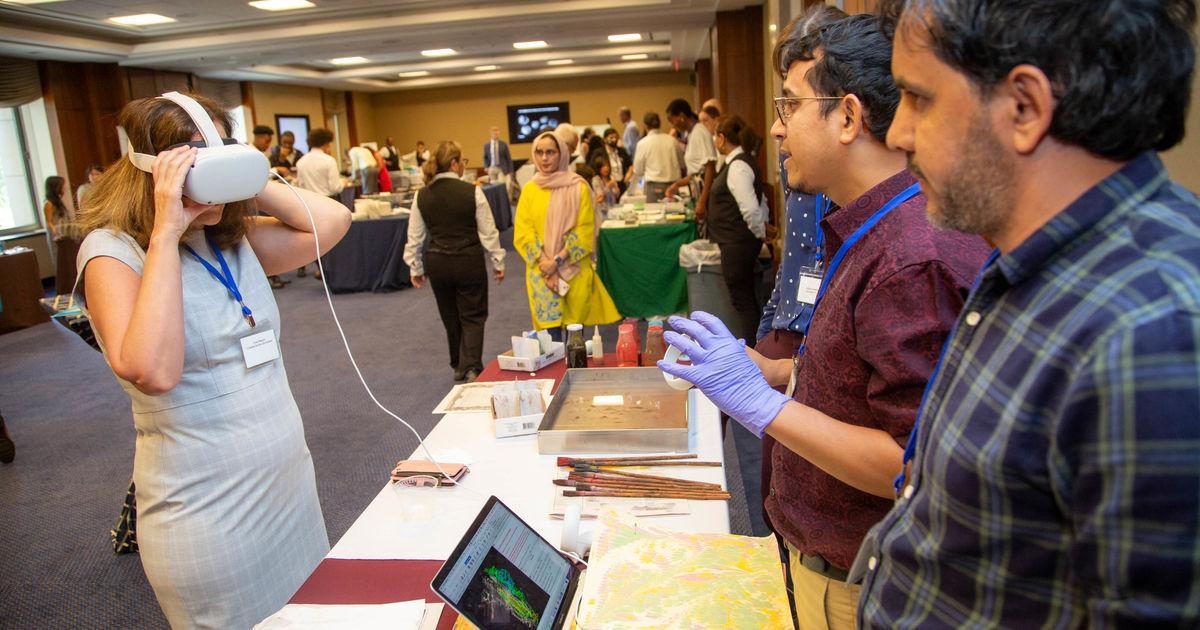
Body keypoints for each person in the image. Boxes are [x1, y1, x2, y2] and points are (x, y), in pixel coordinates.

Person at [854, 1, 1200, 627]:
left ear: (1024, 108)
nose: (899, 132)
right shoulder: (1029, 257)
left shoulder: (1151, 331)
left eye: (919, 98)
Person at [658, 12, 990, 630]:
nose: (777, 128)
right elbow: (862, 377)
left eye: (790, 105)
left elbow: (913, 464)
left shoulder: (909, 257)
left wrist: (763, 405)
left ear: (848, 117)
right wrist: (776, 370)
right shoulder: (872, 228)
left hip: (861, 585)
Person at [72, 91, 351, 628]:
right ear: (152, 174)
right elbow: (153, 370)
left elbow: (331, 223)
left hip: (288, 487)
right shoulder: (112, 252)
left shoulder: (230, 239)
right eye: (198, 163)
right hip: (210, 513)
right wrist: (166, 228)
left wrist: (245, 173)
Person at [403, 141, 506, 383]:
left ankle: (458, 365)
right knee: (473, 314)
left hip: (437, 260)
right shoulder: (473, 191)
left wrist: (414, 266)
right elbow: (488, 232)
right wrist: (497, 261)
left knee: (450, 315)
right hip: (468, 260)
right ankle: (471, 366)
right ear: (454, 163)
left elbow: (415, 236)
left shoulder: (421, 195)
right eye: (462, 161)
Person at [514, 132, 620, 338]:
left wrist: (557, 260)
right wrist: (547, 264)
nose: (544, 158)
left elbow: (584, 229)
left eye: (550, 152)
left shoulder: (578, 187)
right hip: (541, 272)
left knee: (575, 341)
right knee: (549, 342)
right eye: (540, 152)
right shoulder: (529, 190)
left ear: (561, 153)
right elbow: (523, 231)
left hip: (573, 270)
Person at [706, 114, 767, 345]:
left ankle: (753, 349)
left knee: (743, 300)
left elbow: (751, 208)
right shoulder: (740, 162)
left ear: (721, 138)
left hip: (738, 243)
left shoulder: (738, 165)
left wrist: (759, 233)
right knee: (745, 298)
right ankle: (754, 347)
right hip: (738, 241)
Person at [664, 99, 718, 217]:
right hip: (697, 189)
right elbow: (696, 172)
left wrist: (702, 202)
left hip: (704, 191)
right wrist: (677, 184)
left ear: (681, 116)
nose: (673, 126)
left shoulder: (700, 132)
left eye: (672, 121)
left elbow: (709, 169)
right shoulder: (692, 133)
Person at [629, 112, 683, 203]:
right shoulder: (672, 141)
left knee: (654, 215)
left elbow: (638, 170)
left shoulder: (642, 144)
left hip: (654, 187)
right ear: (660, 124)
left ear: (645, 126)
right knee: (675, 214)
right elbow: (682, 164)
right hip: (673, 186)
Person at [44, 175, 82, 295]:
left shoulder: (59, 201)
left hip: (65, 236)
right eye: (62, 186)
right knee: (59, 262)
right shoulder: (49, 204)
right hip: (56, 237)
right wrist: (56, 233)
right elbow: (49, 222)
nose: (64, 188)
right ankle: (62, 290)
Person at [595, 127, 632, 194]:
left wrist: (629, 173)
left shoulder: (621, 151)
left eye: (615, 137)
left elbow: (630, 164)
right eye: (611, 138)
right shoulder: (599, 153)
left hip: (621, 183)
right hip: (608, 184)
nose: (614, 140)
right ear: (605, 140)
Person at [588, 153, 618, 218]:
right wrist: (608, 186)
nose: (606, 168)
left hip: (613, 209)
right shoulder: (596, 180)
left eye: (607, 166)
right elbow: (599, 196)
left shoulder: (610, 178)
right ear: (599, 168)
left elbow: (617, 194)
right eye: (604, 166)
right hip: (602, 211)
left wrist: (615, 188)